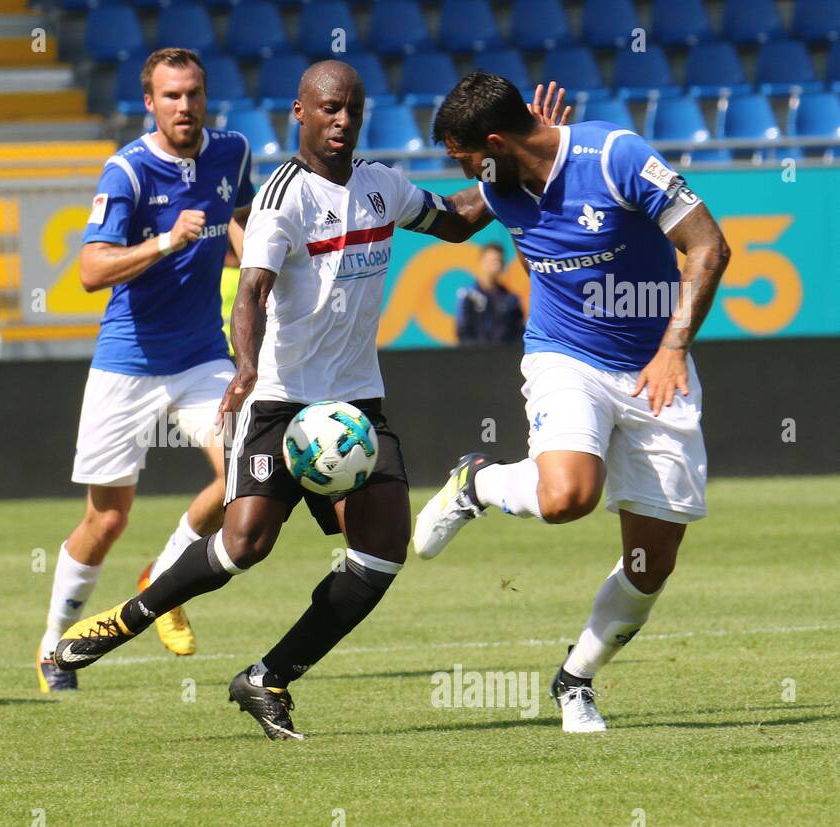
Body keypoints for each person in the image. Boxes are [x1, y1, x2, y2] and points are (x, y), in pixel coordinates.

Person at [49, 62, 569, 740]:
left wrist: (525, 154)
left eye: (352, 109)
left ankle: (268, 678)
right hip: (281, 403)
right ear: (300, 111)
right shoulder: (281, 198)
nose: (341, 121)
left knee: (382, 553)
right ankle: (133, 615)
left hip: (356, 409)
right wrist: (242, 368)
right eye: (328, 109)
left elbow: (456, 221)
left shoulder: (382, 185)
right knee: (243, 547)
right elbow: (255, 290)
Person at [414, 71, 731, 733]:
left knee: (650, 566)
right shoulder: (500, 183)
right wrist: (372, 198)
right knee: (567, 497)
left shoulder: (614, 156)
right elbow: (454, 218)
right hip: (566, 356)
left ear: (496, 140)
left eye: (465, 155)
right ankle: (476, 482)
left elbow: (708, 245)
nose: (466, 169)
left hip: (655, 366)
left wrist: (673, 347)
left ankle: (575, 680)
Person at [35, 47, 252, 693]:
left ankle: (164, 574)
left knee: (244, 471)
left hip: (201, 357)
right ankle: (53, 648)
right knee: (107, 519)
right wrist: (164, 241)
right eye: (171, 96)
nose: (184, 106)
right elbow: (89, 270)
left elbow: (239, 218)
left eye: (192, 93)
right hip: (127, 363)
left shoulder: (232, 152)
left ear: (204, 96)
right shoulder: (126, 172)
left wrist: (264, 269)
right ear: (150, 103)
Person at [456, 241, 523, 344]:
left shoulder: (510, 298)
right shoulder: (469, 295)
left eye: (499, 261)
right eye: (492, 261)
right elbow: (463, 331)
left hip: (504, 355)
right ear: (482, 261)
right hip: (476, 355)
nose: (496, 265)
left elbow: (518, 329)